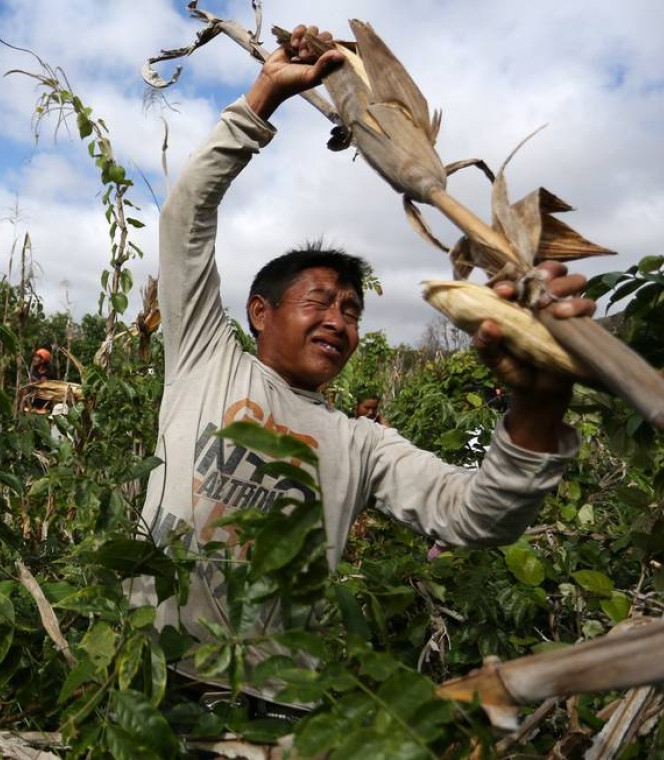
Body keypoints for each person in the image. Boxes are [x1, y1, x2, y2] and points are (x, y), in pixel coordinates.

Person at [131, 25, 593, 714]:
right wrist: (264, 96)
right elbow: (184, 218)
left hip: (279, 709)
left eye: (352, 313)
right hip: (156, 683)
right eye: (320, 302)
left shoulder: (359, 445)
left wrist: (537, 406)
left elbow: (476, 515)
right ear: (259, 312)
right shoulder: (204, 359)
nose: (338, 324)